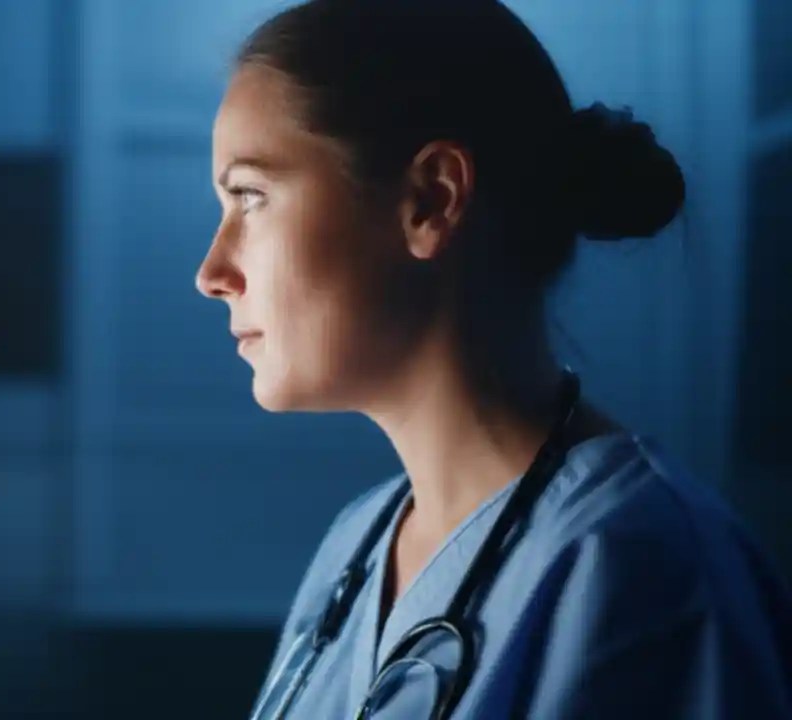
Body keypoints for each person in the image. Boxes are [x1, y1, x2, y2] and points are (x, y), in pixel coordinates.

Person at [193, 1, 792, 718]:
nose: (212, 270)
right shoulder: (356, 547)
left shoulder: (649, 568)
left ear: (431, 200)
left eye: (251, 196)